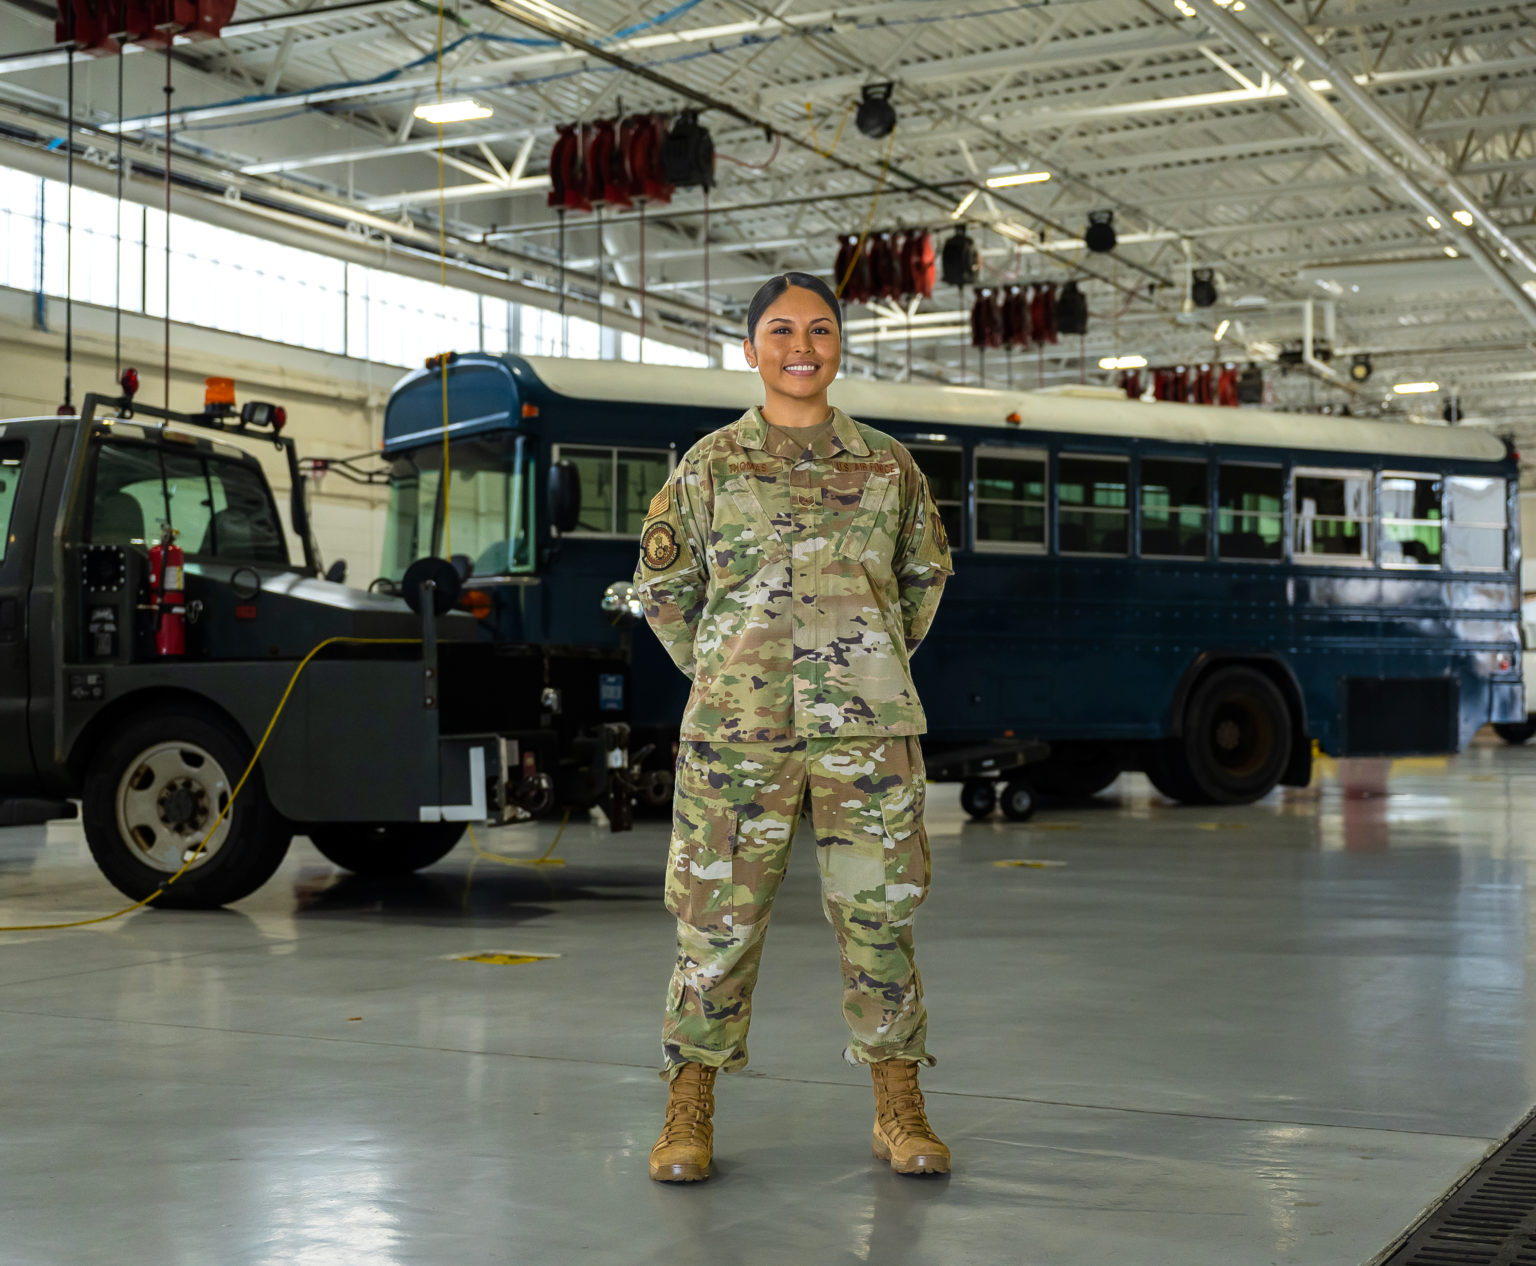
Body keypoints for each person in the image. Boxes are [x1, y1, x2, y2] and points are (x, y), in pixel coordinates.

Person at [631, 271, 954, 1183]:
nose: (801, 345)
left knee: (880, 920)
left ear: (840, 345)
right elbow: (664, 591)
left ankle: (900, 1104)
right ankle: (687, 1108)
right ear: (751, 348)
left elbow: (924, 579)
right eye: (781, 330)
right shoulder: (707, 466)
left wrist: (870, 666)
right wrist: (729, 674)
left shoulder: (890, 466)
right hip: (738, 742)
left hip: (867, 735)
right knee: (714, 927)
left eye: (818, 328)